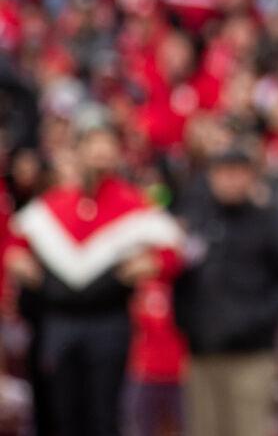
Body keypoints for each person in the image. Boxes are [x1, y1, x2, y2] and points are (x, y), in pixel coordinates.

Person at [4, 113, 181, 436]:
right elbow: (14, 241)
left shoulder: (132, 202)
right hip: (59, 321)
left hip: (108, 319)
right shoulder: (56, 204)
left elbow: (173, 249)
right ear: (77, 149)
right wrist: (18, 261)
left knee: (104, 413)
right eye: (93, 142)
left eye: (107, 142)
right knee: (61, 413)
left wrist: (152, 263)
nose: (101, 150)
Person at [172, 146, 278, 436]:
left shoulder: (269, 222)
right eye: (223, 173)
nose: (230, 181)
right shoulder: (196, 220)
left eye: (237, 173)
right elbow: (179, 280)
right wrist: (187, 324)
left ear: (251, 177)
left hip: (252, 355)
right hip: (202, 353)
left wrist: (254, 322)